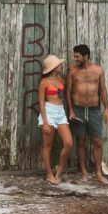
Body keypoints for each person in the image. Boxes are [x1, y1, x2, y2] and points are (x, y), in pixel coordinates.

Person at [66, 44, 108, 184]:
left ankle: (98, 173)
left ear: (86, 56)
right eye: (74, 56)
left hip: (94, 110)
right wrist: (71, 110)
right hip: (78, 110)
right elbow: (68, 92)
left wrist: (107, 108)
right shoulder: (72, 71)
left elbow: (102, 90)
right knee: (81, 141)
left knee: (97, 142)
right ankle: (84, 173)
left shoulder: (98, 70)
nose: (75, 59)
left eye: (77, 56)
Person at [37, 54, 72, 185]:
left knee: (68, 143)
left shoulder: (60, 80)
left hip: (60, 112)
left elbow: (66, 91)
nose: (61, 66)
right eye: (58, 65)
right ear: (53, 67)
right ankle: (49, 175)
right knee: (48, 146)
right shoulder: (44, 82)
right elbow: (41, 102)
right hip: (49, 112)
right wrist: (45, 122)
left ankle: (59, 169)